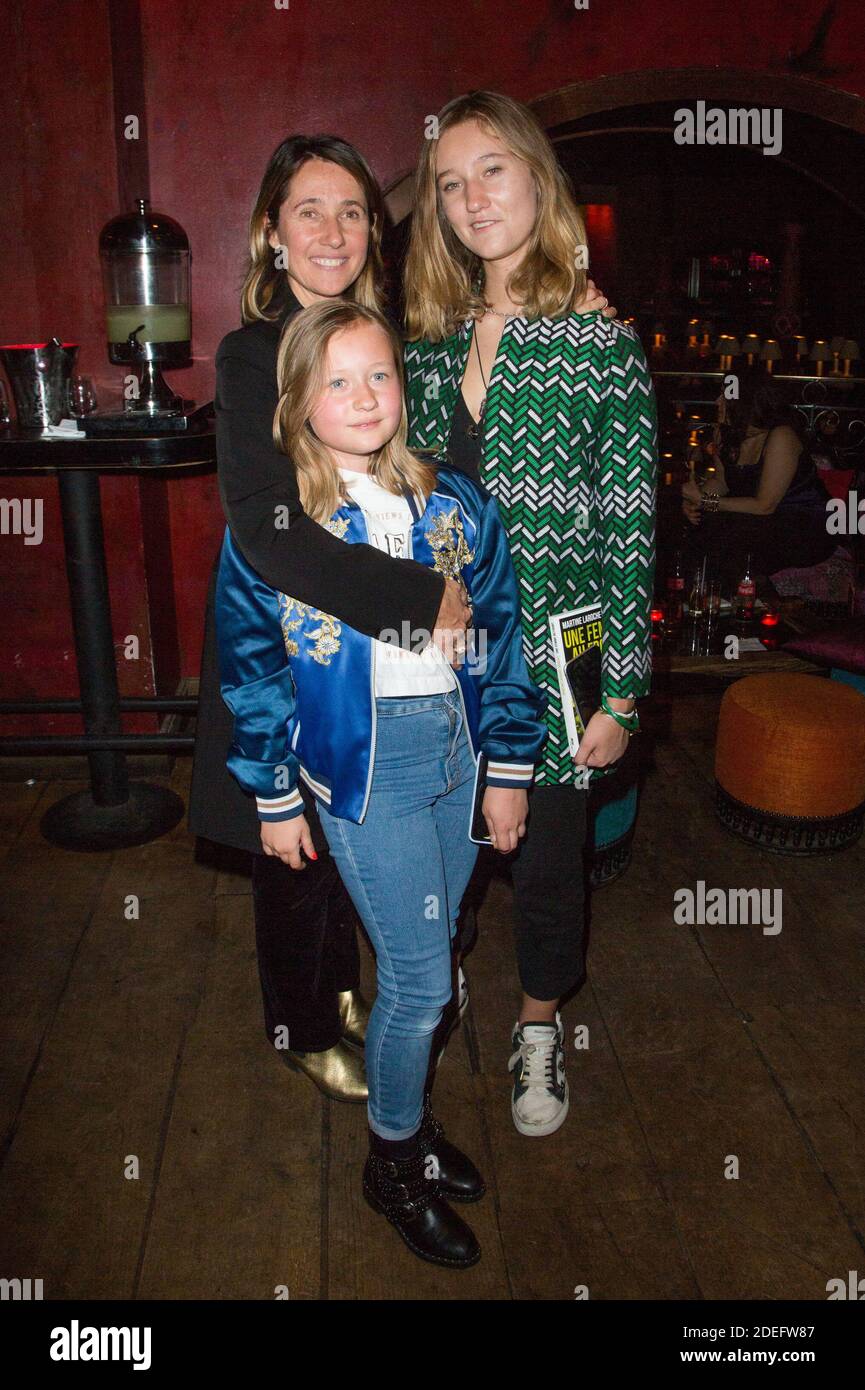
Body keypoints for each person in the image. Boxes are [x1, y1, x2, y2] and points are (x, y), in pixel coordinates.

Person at [188, 133, 614, 1102]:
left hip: (412, 686)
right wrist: (423, 607)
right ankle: (304, 1023)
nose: (334, 230)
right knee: (294, 858)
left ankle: (355, 995)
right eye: (309, 210)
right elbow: (267, 524)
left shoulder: (392, 340)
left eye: (352, 212)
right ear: (271, 234)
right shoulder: (257, 352)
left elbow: (449, 446)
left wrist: (563, 311)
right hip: (306, 646)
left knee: (364, 868)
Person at [215, 299, 548, 1268]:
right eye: (336, 380)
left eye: (379, 375)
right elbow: (252, 669)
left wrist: (508, 769)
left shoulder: (456, 504)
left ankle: (412, 1120)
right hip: (367, 775)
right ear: (297, 406)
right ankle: (393, 1164)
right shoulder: (281, 529)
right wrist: (274, 794)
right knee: (414, 983)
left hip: (457, 756)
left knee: (440, 961)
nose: (363, 397)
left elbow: (501, 644)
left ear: (405, 389)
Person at [402, 90, 658, 1138]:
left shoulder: (599, 348)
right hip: (437, 657)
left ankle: (540, 1024)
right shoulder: (421, 345)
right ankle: (436, 979)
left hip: (559, 656)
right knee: (437, 851)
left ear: (537, 178)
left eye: (492, 170)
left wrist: (625, 689)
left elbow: (633, 529)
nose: (472, 198)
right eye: (451, 182)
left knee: (549, 864)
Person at [680, 368, 835, 587]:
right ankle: (696, 598)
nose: (717, 401)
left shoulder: (781, 436)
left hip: (801, 522)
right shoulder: (725, 434)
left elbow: (765, 505)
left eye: (724, 395)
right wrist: (694, 502)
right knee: (696, 527)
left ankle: (734, 602)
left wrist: (706, 502)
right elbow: (722, 482)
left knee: (733, 534)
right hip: (757, 517)